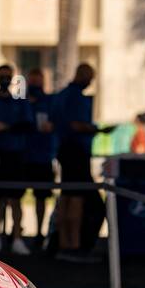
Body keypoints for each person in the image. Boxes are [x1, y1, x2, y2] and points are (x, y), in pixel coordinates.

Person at [50, 63, 114, 262]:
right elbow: (76, 125)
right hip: (76, 151)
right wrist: (97, 130)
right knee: (76, 198)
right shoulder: (75, 97)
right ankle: (74, 246)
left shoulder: (60, 96)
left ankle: (63, 244)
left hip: (63, 150)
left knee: (67, 196)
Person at [0, 64, 32, 256]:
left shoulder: (20, 103)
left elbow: (26, 126)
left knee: (16, 199)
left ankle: (17, 237)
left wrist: (6, 127)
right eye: (1, 76)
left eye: (7, 76)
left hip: (16, 155)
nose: (4, 79)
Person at [23, 68, 56, 246]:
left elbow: (56, 122)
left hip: (43, 157)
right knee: (14, 195)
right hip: (22, 155)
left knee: (41, 196)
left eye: (38, 80)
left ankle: (39, 232)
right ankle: (15, 233)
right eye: (32, 80)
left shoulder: (49, 102)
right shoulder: (21, 102)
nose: (35, 83)